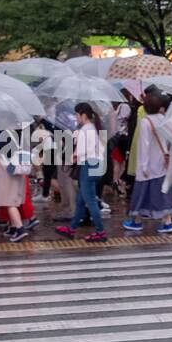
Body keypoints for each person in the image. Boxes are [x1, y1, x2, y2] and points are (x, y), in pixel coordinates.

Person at [122, 92, 172, 234]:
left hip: (148, 165)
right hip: (163, 163)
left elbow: (144, 145)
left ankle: (136, 221)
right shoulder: (163, 119)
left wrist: (143, 166)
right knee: (163, 193)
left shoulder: (145, 122)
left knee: (141, 194)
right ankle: (167, 222)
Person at [54, 102, 108, 242]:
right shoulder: (93, 128)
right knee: (80, 201)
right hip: (96, 166)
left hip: (88, 167)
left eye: (77, 114)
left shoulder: (85, 130)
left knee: (90, 202)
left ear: (83, 114)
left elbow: (82, 152)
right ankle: (71, 229)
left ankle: (100, 232)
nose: (75, 117)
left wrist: (72, 157)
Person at [0, 127, 29, 242]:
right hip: (18, 169)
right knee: (13, 198)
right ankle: (13, 227)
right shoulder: (22, 133)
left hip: (5, 170)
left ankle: (20, 229)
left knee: (8, 201)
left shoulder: (3, 133)